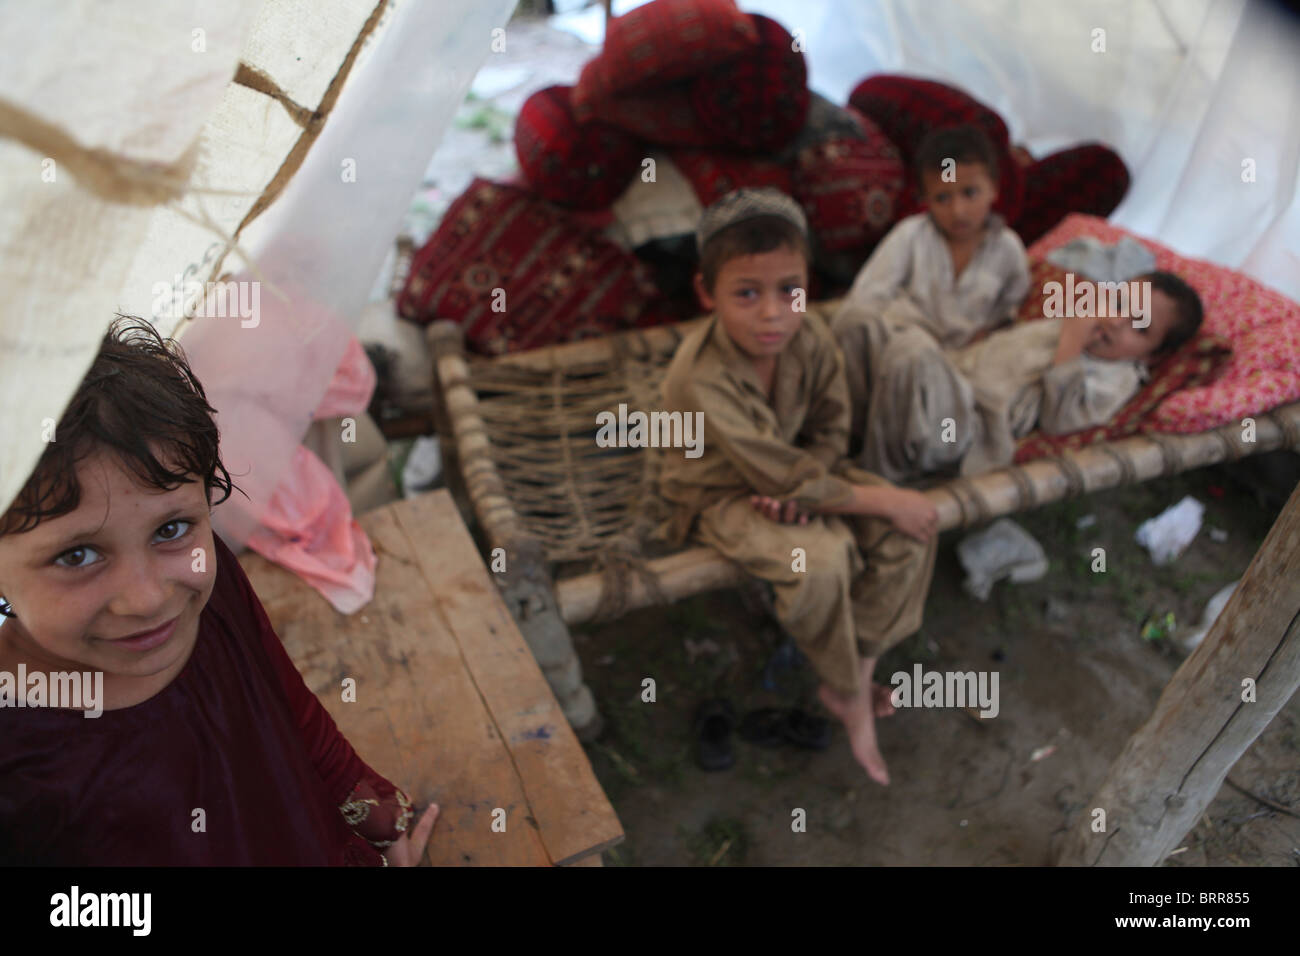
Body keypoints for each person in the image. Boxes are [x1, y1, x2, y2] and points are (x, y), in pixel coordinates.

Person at [0, 317, 438, 865]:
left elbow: (288, 705)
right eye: (77, 556)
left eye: (171, 529)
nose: (148, 598)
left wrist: (370, 813)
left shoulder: (211, 588)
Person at [656, 188, 940, 785]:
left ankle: (855, 675)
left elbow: (832, 428)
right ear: (707, 294)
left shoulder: (810, 338)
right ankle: (847, 689)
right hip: (723, 491)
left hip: (800, 474)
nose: (773, 313)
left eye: (790, 289)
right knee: (821, 561)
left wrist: (807, 483)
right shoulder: (702, 375)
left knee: (911, 531)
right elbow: (768, 469)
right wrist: (879, 495)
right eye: (746, 294)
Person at [849, 270, 1205, 480]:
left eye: (1138, 328)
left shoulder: (1117, 378)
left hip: (966, 426)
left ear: (1153, 355)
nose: (1115, 321)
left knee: (910, 350)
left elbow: (1060, 419)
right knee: (862, 320)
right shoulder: (1073, 321)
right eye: (1118, 304)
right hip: (945, 379)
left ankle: (876, 477)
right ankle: (839, 429)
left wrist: (1071, 342)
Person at [832, 124, 1031, 475]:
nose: (958, 210)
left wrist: (985, 339)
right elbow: (867, 298)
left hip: (950, 365)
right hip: (892, 347)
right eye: (943, 197)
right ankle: (846, 434)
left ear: (994, 190)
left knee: (915, 357)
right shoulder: (910, 236)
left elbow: (1008, 313)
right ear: (925, 200)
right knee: (855, 323)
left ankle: (880, 473)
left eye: (970, 192)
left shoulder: (1007, 250)